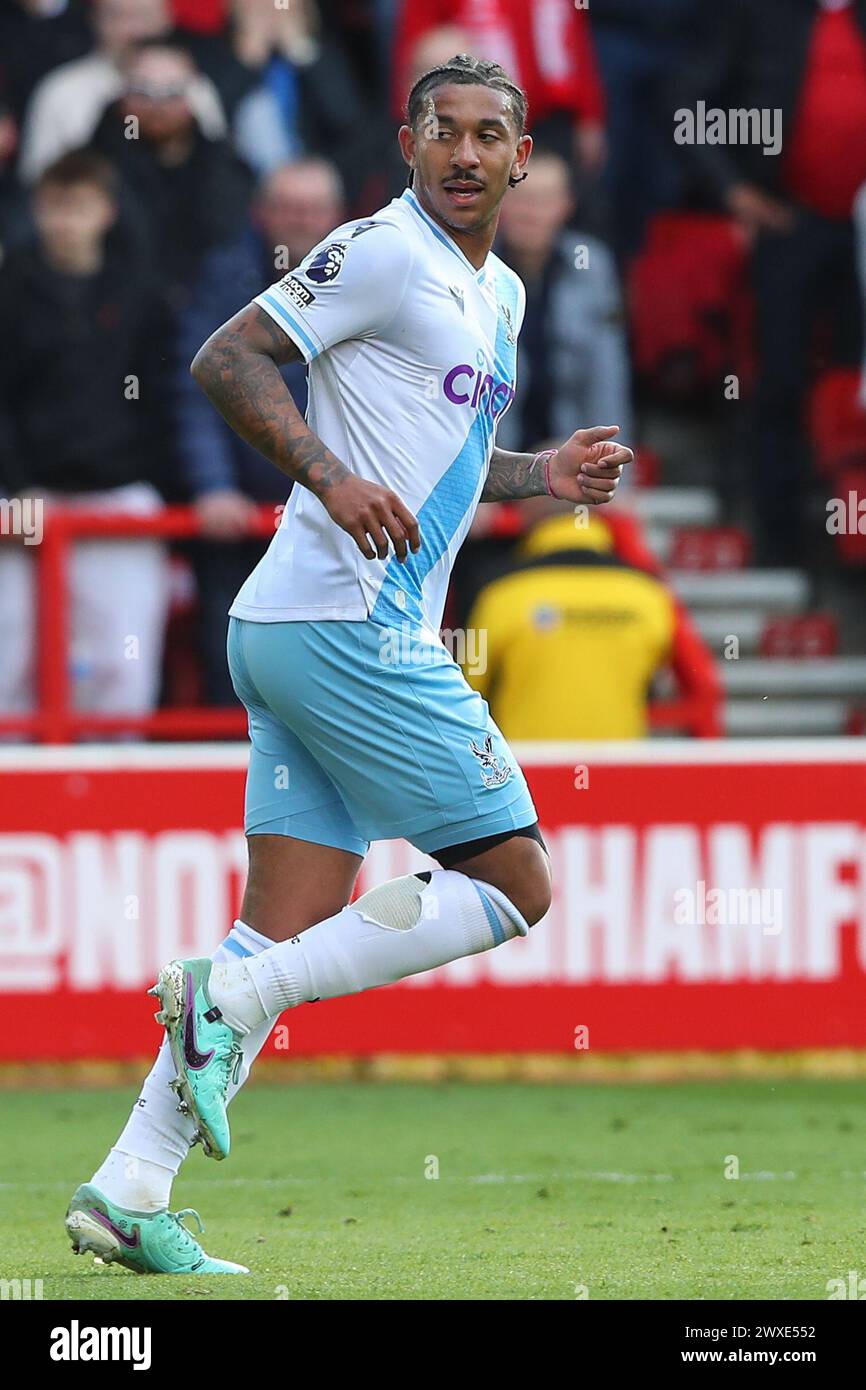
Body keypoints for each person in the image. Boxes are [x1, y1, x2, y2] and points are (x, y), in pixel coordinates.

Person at [64, 53, 631, 1274]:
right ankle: (233, 1004)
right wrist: (325, 476)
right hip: (346, 628)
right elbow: (226, 357)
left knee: (279, 928)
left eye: (492, 134)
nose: (468, 154)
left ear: (524, 157)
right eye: (446, 133)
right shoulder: (379, 248)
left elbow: (443, 458)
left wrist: (546, 477)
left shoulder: (502, 295)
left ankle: (126, 1189)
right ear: (408, 145)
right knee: (514, 879)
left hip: (297, 631)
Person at [0, 149, 170, 724]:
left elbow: (162, 393)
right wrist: (17, 481)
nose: (65, 220)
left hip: (119, 492)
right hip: (24, 498)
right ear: (36, 210)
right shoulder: (10, 289)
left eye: (79, 207)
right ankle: (13, 781)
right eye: (54, 207)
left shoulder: (140, 291)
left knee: (123, 652)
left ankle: (113, 771)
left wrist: (154, 473)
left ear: (107, 212)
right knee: (10, 650)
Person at [175, 158, 346, 703]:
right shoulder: (225, 277)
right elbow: (197, 388)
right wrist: (213, 486)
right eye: (289, 208)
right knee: (231, 653)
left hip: (337, 512)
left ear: (336, 216)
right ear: (262, 212)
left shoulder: (364, 279)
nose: (301, 221)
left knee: (332, 662)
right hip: (242, 512)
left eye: (313, 210)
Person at [464, 498, 720, 740]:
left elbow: (462, 698)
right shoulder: (650, 596)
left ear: (524, 514)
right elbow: (704, 686)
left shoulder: (498, 597)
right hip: (622, 775)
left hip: (523, 775)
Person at [494, 146, 634, 455]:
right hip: (490, 462)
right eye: (521, 198)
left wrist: (609, 464)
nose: (531, 213)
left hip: (566, 457)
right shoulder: (474, 267)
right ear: (501, 201)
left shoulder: (592, 266)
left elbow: (607, 376)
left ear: (565, 206)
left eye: (543, 201)